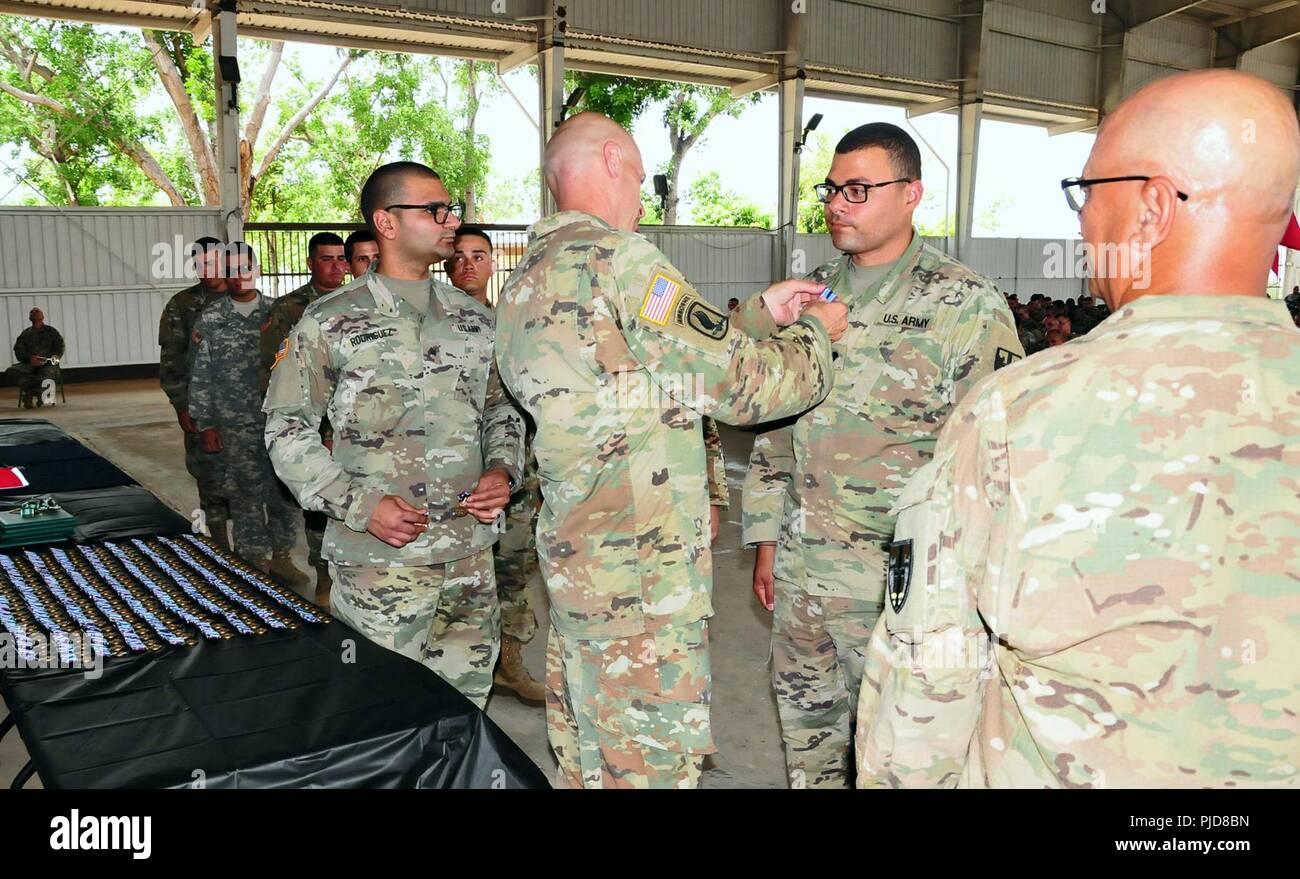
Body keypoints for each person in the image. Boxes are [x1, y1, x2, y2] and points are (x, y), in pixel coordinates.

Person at [856, 68, 1300, 788]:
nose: (1082, 219)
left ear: (1153, 207)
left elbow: (927, 695)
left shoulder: (1016, 416)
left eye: (1089, 191)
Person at [494, 112, 848, 789]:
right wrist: (813, 333)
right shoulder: (622, 259)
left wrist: (755, 316)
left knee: (591, 759)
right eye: (637, 174)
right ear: (608, 160)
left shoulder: (525, 280)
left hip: (580, 568)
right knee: (653, 766)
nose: (640, 193)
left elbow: (636, 369)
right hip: (644, 580)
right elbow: (744, 390)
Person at [741, 122, 1023, 789]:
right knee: (808, 745)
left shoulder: (963, 303)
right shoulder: (809, 297)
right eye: (833, 188)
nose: (838, 203)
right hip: (804, 574)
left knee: (901, 756)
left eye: (859, 189)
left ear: (911, 195)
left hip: (901, 588)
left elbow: (994, 450)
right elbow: (774, 426)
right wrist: (763, 538)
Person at [265, 162, 524, 709]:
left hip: (469, 553)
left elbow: (502, 408)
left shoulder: (476, 321)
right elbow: (287, 427)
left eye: (450, 209)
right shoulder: (330, 320)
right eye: (434, 210)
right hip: (380, 559)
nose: (450, 219)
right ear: (386, 221)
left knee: (464, 710)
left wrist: (503, 469)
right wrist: (358, 505)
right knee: (380, 711)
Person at [445, 224, 544, 703]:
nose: (468, 263)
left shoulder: (514, 323)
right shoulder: (435, 321)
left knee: (513, 568)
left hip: (514, 473)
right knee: (459, 576)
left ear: (491, 264)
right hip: (456, 475)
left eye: (478, 255)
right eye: (459, 255)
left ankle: (509, 662)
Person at [190, 243, 305, 584]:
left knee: (284, 492)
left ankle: (283, 556)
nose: (239, 277)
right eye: (231, 270)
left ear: (256, 271)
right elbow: (201, 373)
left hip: (279, 420)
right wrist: (206, 423)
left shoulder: (279, 314)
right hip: (233, 423)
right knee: (245, 495)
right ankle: (252, 560)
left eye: (245, 268)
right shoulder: (211, 318)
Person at [259, 231, 350, 603]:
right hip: (312, 421)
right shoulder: (289, 309)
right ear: (311, 263)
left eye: (341, 258)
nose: (336, 266)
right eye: (326, 259)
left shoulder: (362, 304)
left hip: (354, 423)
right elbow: (275, 369)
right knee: (318, 499)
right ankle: (323, 575)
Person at [159, 237, 231, 548]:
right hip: (203, 409)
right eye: (201, 263)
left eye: (214, 261)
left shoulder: (248, 298)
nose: (207, 269)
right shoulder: (181, 305)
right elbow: (171, 359)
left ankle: (257, 554)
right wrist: (181, 405)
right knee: (211, 482)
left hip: (248, 410)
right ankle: (220, 549)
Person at [9, 307, 64, 408]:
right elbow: (18, 350)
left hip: (48, 364)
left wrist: (44, 359)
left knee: (46, 375)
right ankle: (36, 393)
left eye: (37, 311)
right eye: (31, 312)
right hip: (30, 363)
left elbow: (59, 349)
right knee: (12, 370)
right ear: (29, 317)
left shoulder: (51, 332)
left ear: (42, 316)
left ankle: (29, 394)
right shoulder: (25, 334)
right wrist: (29, 358)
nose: (34, 312)